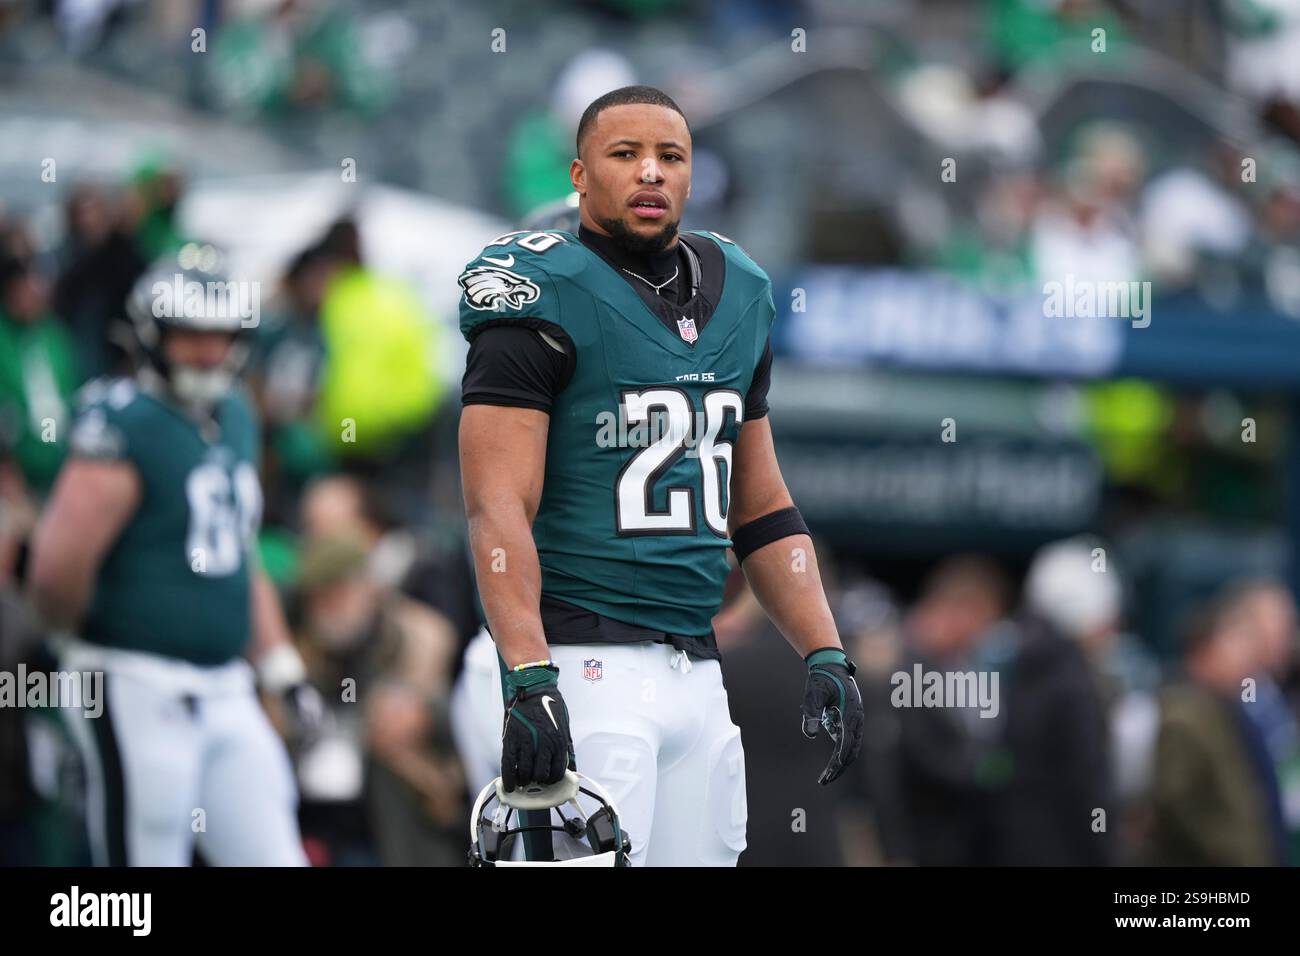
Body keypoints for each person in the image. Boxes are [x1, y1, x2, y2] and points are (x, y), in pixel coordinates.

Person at [456, 85, 864, 866]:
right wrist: (529, 673)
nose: (650, 172)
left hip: (697, 669)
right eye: (625, 154)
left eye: (669, 156)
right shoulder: (537, 288)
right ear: (578, 173)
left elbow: (764, 507)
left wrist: (823, 647)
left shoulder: (738, 290)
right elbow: (496, 506)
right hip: (586, 661)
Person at [26, 245, 318, 866]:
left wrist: (280, 667)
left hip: (226, 687)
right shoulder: (123, 419)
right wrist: (72, 645)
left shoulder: (237, 412)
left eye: (219, 334)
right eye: (189, 335)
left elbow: (237, 552)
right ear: (149, 332)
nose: (209, 352)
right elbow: (55, 567)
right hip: (137, 681)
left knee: (273, 851)